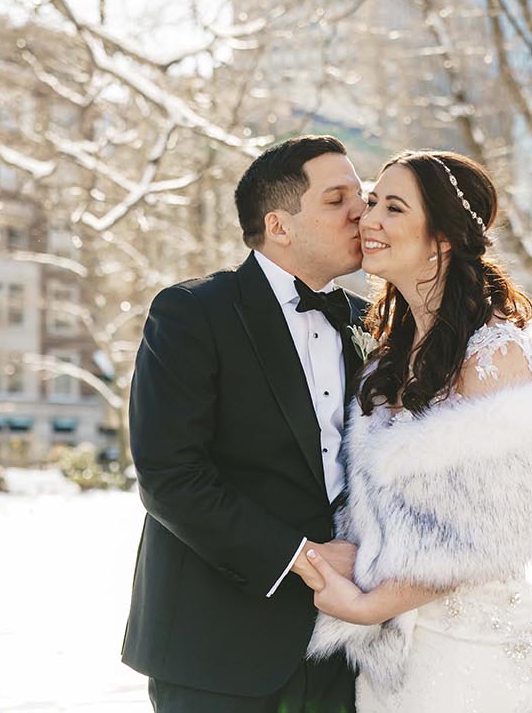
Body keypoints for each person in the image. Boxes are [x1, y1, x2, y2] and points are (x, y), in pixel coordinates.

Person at [296, 150, 532, 713]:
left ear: (443, 237)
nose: (367, 219)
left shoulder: (496, 356)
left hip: (473, 648)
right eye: (372, 202)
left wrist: (369, 606)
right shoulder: (384, 363)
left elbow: (491, 536)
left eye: (392, 208)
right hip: (390, 653)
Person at [123, 135, 371, 712]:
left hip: (348, 647)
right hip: (218, 646)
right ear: (279, 225)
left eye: (362, 196)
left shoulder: (370, 322)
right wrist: (300, 556)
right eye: (337, 199)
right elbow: (170, 476)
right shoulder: (192, 313)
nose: (360, 211)